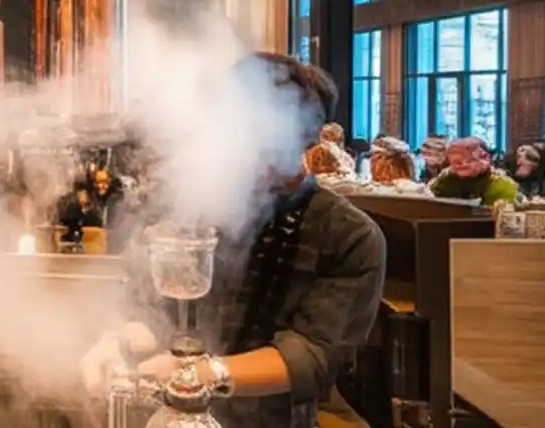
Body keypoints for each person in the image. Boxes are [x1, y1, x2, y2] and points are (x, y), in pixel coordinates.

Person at [81, 53, 386, 428]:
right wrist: (117, 341)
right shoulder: (197, 207)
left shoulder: (349, 236)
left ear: (303, 137)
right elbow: (148, 303)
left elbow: (310, 355)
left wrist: (202, 375)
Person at [429, 137, 519, 206]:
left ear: (485, 158)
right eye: (456, 162)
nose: (463, 165)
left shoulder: (503, 185)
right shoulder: (443, 181)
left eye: (469, 159)